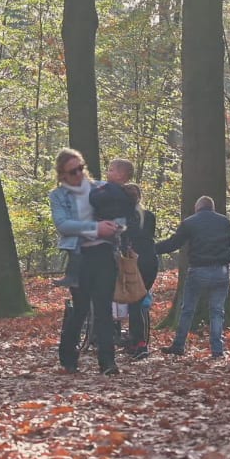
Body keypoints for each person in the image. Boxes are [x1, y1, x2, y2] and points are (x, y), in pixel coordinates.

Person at [50, 148, 122, 376]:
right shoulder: (58, 196)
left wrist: (115, 227)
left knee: (103, 308)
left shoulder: (101, 188)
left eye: (81, 168)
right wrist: (95, 228)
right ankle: (68, 358)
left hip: (104, 254)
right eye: (73, 171)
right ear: (63, 175)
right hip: (79, 257)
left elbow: (121, 212)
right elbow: (63, 225)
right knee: (79, 309)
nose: (79, 174)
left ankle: (108, 362)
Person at [155, 196, 230, 359]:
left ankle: (179, 345)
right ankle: (217, 350)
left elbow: (173, 243)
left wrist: (152, 248)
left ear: (197, 208)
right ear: (212, 207)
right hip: (221, 271)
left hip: (198, 270)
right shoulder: (224, 221)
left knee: (187, 309)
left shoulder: (190, 222)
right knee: (217, 311)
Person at [54, 158, 136, 288]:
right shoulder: (126, 192)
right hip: (117, 224)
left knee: (78, 246)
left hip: (106, 222)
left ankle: (72, 277)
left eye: (111, 170)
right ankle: (73, 277)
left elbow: (96, 199)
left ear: (120, 175)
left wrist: (94, 193)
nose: (107, 173)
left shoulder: (109, 188)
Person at [123, 183, 158, 360]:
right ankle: (136, 340)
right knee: (139, 302)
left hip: (136, 262)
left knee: (135, 303)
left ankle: (140, 343)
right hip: (151, 261)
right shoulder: (149, 216)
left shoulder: (124, 218)